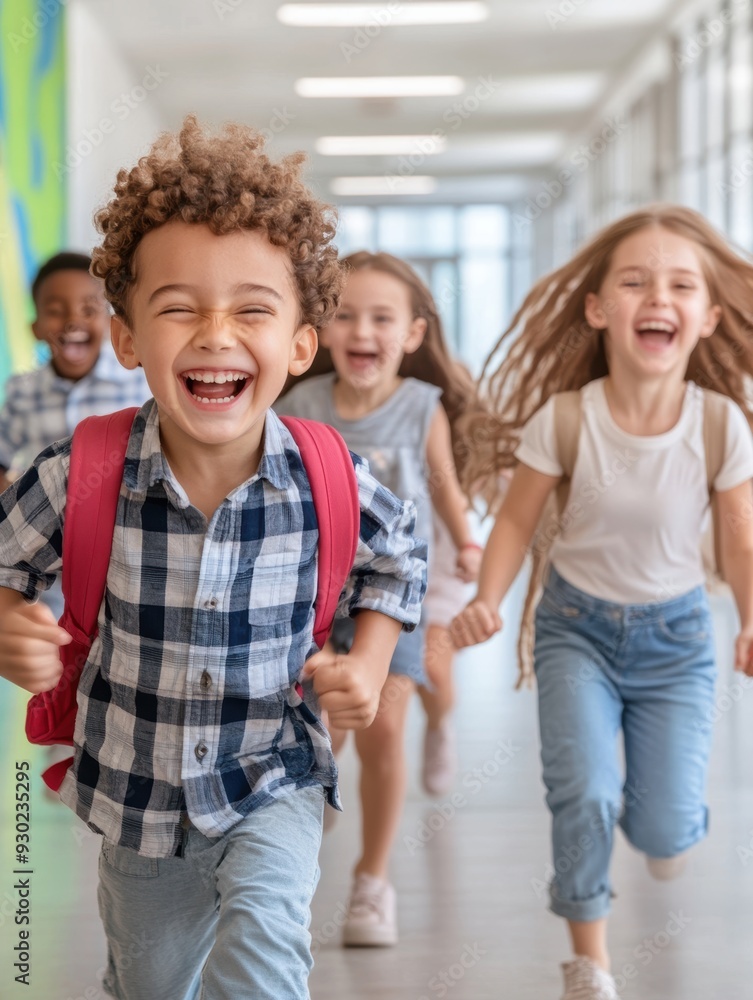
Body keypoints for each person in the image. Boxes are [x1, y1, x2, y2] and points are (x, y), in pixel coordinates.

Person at [0, 116, 427, 1000]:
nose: (216, 333)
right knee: (152, 983)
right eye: (180, 307)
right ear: (129, 339)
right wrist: (8, 627)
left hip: (273, 774)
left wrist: (368, 660)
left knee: (265, 960)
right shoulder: (82, 474)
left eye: (252, 311)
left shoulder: (326, 476)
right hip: (133, 797)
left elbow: (397, 555)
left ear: (298, 346)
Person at [451, 205, 753, 1000]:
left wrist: (750, 621)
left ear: (707, 318)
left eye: (679, 285)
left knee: (660, 826)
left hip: (678, 637)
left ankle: (671, 826)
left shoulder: (719, 426)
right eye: (634, 281)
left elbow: (740, 541)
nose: (657, 296)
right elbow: (516, 521)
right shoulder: (565, 418)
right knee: (582, 791)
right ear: (597, 310)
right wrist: (486, 599)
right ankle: (589, 961)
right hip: (575, 633)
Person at [276, 251, 483, 946]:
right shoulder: (301, 405)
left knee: (387, 728)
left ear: (413, 335)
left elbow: (445, 486)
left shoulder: (421, 407)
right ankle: (297, 854)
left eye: (381, 317)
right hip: (316, 600)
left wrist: (470, 546)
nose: (362, 329)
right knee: (319, 738)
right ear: (321, 330)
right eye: (345, 314)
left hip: (395, 602)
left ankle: (371, 881)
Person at [0, 252, 150, 618]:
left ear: (112, 323)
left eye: (89, 308)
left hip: (124, 561)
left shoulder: (141, 383)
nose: (73, 320)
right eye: (55, 309)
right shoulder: (23, 392)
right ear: (35, 327)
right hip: (46, 579)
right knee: (49, 662)